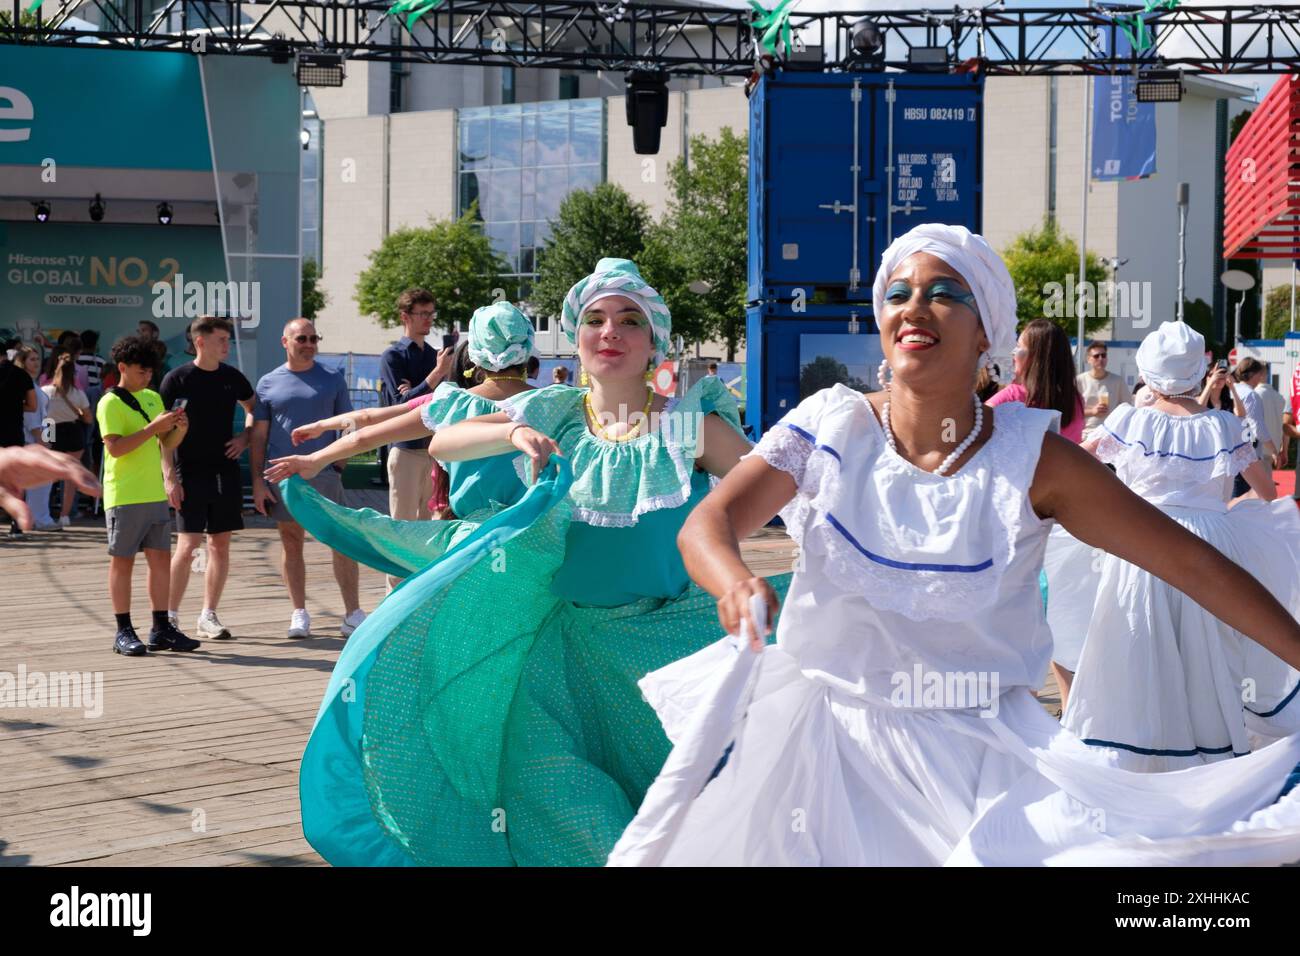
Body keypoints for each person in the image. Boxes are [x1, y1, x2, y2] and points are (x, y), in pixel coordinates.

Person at [608, 224, 1300, 867]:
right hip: (828, 756)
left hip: (983, 766)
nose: (915, 308)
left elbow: (1187, 562)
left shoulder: (1034, 458)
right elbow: (710, 522)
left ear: (984, 335)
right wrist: (734, 581)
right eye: (899, 294)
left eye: (945, 294)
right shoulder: (830, 425)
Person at [292, 259, 783, 867]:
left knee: (681, 807)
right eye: (596, 320)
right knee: (563, 805)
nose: (611, 331)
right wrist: (512, 435)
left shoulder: (690, 424)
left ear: (653, 339)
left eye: (629, 321)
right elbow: (443, 439)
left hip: (665, 646)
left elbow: (776, 490)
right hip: (557, 652)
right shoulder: (550, 410)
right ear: (576, 339)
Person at [1062, 322, 1300, 772]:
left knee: (1135, 642)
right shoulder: (1224, 425)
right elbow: (1267, 492)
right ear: (1200, 370)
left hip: (1142, 539)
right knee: (1208, 652)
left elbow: (1078, 463)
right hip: (1212, 547)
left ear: (1149, 371)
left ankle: (1136, 754)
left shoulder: (1130, 419)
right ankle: (1207, 757)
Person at [265, 301, 537, 528]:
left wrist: (316, 457)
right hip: (535, 532)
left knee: (408, 538)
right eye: (424, 313)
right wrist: (322, 428)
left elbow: (371, 427)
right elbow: (374, 416)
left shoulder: (452, 404)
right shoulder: (555, 401)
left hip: (473, 535)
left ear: (473, 359)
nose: (429, 319)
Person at [249, 319, 366, 640]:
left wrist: (338, 464)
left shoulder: (332, 378)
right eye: (302, 338)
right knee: (291, 541)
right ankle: (299, 612)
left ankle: (352, 612)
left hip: (325, 473)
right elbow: (259, 436)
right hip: (283, 476)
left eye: (314, 338)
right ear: (285, 341)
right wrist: (259, 482)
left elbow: (349, 423)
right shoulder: (268, 383)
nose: (309, 343)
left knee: (340, 541)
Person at [98, 335, 199, 657]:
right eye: (141, 372)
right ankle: (123, 630)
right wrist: (153, 429)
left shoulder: (154, 398)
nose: (147, 378)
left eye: (150, 372)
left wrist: (179, 428)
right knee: (122, 562)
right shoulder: (109, 402)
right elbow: (115, 448)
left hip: (154, 493)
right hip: (124, 495)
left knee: (159, 561)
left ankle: (161, 627)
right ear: (122, 368)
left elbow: (166, 445)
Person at [159, 316, 256, 641]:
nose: (227, 345)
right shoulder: (177, 379)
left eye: (228, 340)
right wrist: (169, 477)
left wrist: (245, 437)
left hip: (224, 472)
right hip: (190, 471)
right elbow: (163, 433)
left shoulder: (232, 377)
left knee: (220, 545)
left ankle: (207, 615)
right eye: (221, 340)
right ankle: (169, 618)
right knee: (187, 546)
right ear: (200, 342)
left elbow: (254, 408)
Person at [378, 289, 455, 547]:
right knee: (403, 533)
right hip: (406, 451)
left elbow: (437, 399)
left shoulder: (434, 355)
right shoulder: (394, 356)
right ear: (405, 317)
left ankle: (424, 588)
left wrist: (422, 384)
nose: (429, 319)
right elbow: (401, 404)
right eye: (422, 313)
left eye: (431, 313)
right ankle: (396, 589)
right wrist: (436, 375)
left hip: (434, 451)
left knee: (428, 536)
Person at [986, 318, 1086, 442]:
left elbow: (972, 428)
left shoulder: (1012, 396)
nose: (1013, 353)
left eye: (1018, 346)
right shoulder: (1075, 400)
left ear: (1036, 357)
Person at [40, 349, 91, 526]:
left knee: (47, 474)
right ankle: (65, 516)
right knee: (70, 478)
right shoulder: (78, 393)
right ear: (73, 374)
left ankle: (43, 513)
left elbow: (42, 416)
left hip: (50, 428)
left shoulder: (45, 391)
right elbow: (88, 418)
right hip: (72, 431)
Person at [0, 443, 100, 532]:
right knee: (56, 477)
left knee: (60, 475)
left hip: (35, 454)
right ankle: (51, 518)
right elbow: (47, 424)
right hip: (37, 453)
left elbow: (48, 425)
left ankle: (58, 516)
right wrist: (46, 444)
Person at [15, 346, 57, 531]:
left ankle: (37, 518)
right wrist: (43, 442)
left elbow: (47, 415)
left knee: (40, 482)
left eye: (37, 359)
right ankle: (39, 519)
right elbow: (32, 419)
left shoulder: (35, 385)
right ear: (22, 362)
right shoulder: (27, 386)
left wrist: (49, 439)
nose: (36, 362)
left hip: (41, 437)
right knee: (40, 481)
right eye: (32, 359)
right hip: (33, 440)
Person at [0, 340, 37, 537]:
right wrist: (14, 406)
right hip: (13, 433)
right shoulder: (21, 375)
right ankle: (17, 524)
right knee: (14, 480)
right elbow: (33, 406)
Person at [1075, 339, 1131, 441]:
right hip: (1085, 434)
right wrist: (1092, 411)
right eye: (1096, 356)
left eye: (1103, 355)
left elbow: (1127, 408)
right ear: (1088, 359)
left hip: (1110, 434)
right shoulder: (1079, 381)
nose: (1100, 359)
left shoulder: (1118, 381)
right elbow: (1072, 411)